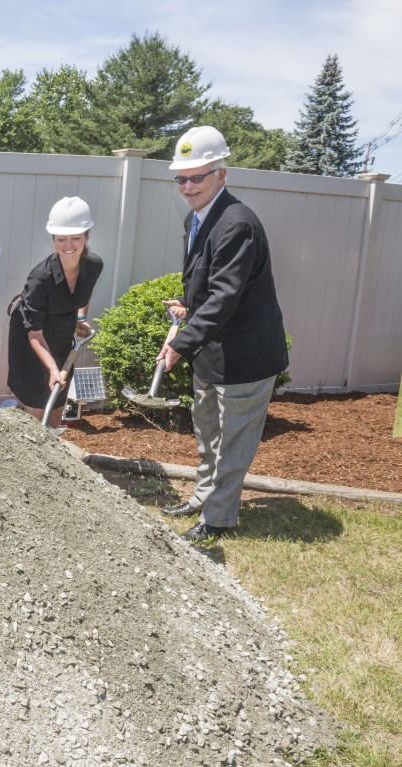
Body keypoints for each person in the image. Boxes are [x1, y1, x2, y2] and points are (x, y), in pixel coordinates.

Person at [156, 126, 289, 542]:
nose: (189, 185)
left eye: (198, 176)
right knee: (208, 433)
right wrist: (187, 307)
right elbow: (209, 288)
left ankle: (217, 519)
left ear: (221, 175)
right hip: (213, 351)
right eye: (182, 178)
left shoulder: (237, 224)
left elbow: (225, 298)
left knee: (231, 443)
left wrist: (179, 343)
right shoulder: (197, 217)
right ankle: (202, 498)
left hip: (245, 356)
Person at [7, 197, 103, 427]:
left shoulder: (93, 265)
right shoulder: (40, 278)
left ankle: (53, 446)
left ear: (86, 236)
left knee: (58, 401)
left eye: (75, 238)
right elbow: (35, 335)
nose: (68, 245)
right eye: (61, 239)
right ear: (54, 239)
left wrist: (80, 318)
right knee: (37, 404)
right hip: (31, 334)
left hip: (62, 329)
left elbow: (84, 291)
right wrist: (52, 369)